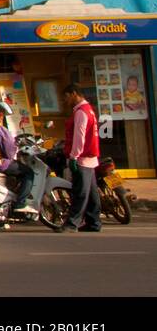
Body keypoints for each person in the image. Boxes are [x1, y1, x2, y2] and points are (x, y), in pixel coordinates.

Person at [62, 83, 102, 233]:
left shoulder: (81, 112)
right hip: (90, 158)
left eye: (66, 97)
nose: (66, 101)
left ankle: (72, 223)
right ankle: (94, 222)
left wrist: (74, 156)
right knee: (91, 194)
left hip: (82, 158)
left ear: (74, 94)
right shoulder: (89, 110)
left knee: (80, 192)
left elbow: (80, 136)